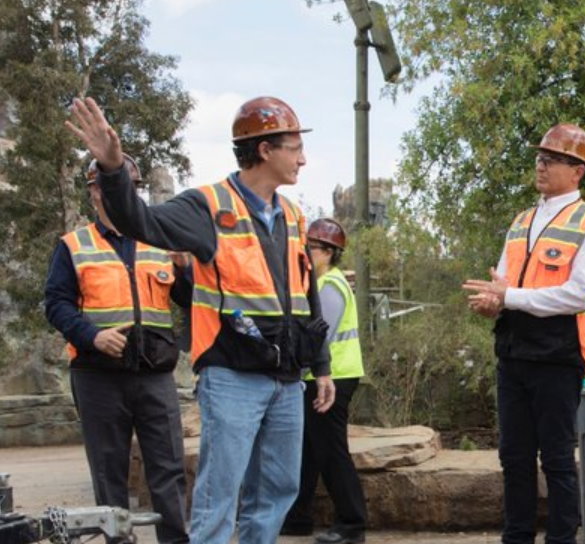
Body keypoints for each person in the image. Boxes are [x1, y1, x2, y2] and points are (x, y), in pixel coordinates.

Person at [65, 95, 335, 544]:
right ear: (265, 150)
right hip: (232, 376)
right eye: (294, 147)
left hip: (287, 379)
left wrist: (320, 366)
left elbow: (304, 295)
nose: (302, 158)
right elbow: (139, 222)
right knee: (219, 493)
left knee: (278, 489)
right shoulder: (208, 206)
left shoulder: (291, 214)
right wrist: (112, 170)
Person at [462, 123, 585, 544]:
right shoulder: (522, 220)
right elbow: (504, 283)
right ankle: (517, 537)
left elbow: (579, 295)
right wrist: (493, 300)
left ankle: (562, 538)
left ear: (577, 171)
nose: (541, 165)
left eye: (552, 159)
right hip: (513, 352)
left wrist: (510, 297)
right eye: (539, 158)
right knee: (514, 458)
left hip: (557, 356)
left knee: (559, 460)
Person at [44, 155, 189, 543]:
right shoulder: (74, 245)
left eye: (130, 187)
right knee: (109, 472)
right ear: (94, 193)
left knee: (168, 467)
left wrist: (186, 269)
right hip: (98, 376)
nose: (122, 194)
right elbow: (55, 304)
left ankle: (175, 539)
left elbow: (190, 300)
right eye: (110, 186)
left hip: (155, 374)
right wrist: (92, 336)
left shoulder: (159, 241)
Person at [283, 218, 367, 544]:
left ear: (329, 252)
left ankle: (351, 524)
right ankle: (297, 517)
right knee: (307, 450)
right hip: (318, 377)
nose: (304, 253)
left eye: (311, 248)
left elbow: (318, 336)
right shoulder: (318, 284)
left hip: (334, 377)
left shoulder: (330, 287)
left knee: (331, 450)